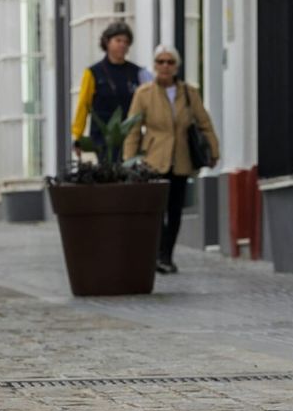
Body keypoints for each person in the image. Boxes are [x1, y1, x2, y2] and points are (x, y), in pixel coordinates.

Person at [123, 44, 220, 275]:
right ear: (154, 65)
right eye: (160, 62)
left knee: (174, 210)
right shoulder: (143, 94)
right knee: (156, 210)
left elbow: (204, 123)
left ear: (176, 66)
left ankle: (166, 256)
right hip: (154, 160)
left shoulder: (189, 93)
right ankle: (157, 253)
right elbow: (133, 128)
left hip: (181, 159)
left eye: (170, 62)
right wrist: (129, 159)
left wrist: (213, 151)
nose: (165, 66)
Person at [71, 21, 152, 160]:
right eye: (118, 40)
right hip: (103, 139)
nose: (122, 45)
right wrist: (77, 136)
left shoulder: (136, 72)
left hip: (130, 136)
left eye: (126, 42)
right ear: (107, 43)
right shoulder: (93, 73)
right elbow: (83, 106)